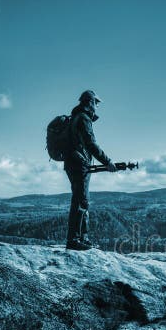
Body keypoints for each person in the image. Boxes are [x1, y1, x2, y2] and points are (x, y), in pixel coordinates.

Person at [64, 90, 117, 251]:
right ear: (90, 102)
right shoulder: (83, 118)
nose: (97, 107)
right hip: (79, 164)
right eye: (96, 103)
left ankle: (82, 238)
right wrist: (107, 162)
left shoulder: (76, 117)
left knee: (81, 200)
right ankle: (74, 240)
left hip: (74, 163)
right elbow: (90, 144)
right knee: (81, 201)